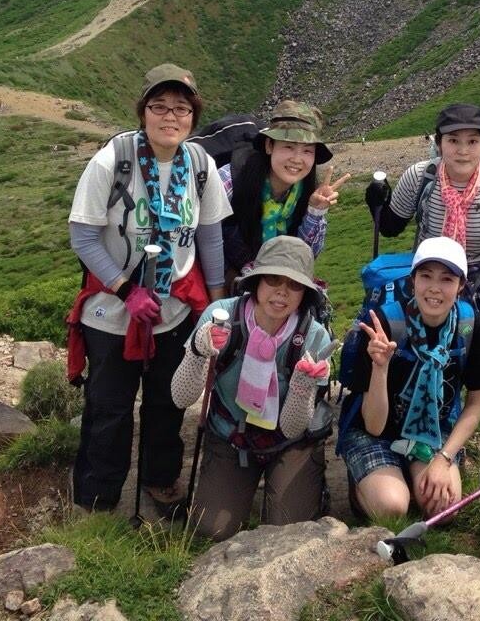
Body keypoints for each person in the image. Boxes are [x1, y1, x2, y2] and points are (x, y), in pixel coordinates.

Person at [66, 63, 232, 515]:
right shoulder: (112, 160)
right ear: (143, 112)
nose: (170, 117)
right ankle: (97, 496)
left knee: (167, 401)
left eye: (180, 108)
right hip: (110, 311)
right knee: (109, 406)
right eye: (159, 106)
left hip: (174, 310)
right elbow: (82, 236)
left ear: (193, 116)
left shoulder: (200, 166)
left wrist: (216, 305)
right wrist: (125, 289)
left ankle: (160, 478)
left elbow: (210, 235)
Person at [366, 103, 480, 407]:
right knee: (423, 348)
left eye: (472, 141)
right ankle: (427, 411)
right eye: (453, 141)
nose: (462, 150)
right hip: (436, 274)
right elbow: (392, 226)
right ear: (439, 143)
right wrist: (377, 203)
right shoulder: (420, 177)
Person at [170, 236, 333, 541]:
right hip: (232, 435)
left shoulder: (314, 337)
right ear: (256, 281)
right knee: (211, 530)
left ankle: (304, 485)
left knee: (287, 531)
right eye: (273, 279)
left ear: (305, 294)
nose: (282, 291)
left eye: (294, 285)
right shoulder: (220, 318)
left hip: (290, 441)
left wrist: (301, 386)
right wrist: (197, 351)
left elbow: (294, 425)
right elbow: (181, 397)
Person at [339, 237, 480, 520]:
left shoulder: (473, 329)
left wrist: (443, 458)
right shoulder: (383, 326)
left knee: (444, 510)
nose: (434, 288)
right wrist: (380, 369)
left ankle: (412, 472)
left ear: (461, 285)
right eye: (425, 276)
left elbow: (475, 403)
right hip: (374, 431)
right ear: (413, 279)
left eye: (446, 279)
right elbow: (374, 425)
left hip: (432, 431)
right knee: (391, 507)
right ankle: (367, 483)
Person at [216, 100, 349, 291]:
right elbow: (204, 239)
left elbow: (304, 257)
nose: (297, 159)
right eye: (288, 147)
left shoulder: (308, 192)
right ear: (269, 146)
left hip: (270, 287)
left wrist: (315, 212)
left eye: (307, 150)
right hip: (222, 283)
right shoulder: (231, 179)